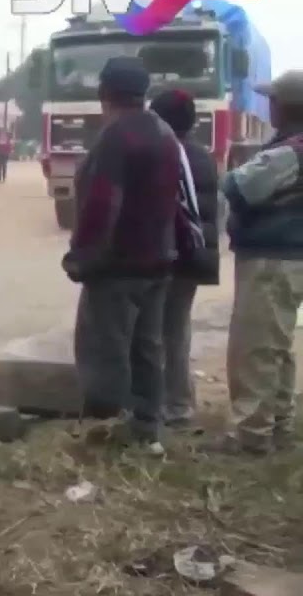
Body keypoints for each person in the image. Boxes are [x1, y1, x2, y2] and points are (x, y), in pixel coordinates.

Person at [64, 57, 182, 453]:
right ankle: (148, 428)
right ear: (143, 94)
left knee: (103, 349)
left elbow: (102, 205)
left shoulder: (115, 136)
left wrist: (82, 257)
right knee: (147, 348)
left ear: (104, 94)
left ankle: (104, 431)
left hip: (117, 267)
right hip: (159, 263)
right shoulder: (164, 132)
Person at [219, 70, 303, 454]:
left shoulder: (289, 152)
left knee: (254, 348)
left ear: (283, 107)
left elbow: (238, 186)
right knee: (278, 346)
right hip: (290, 258)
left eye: (271, 100)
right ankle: (279, 423)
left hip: (271, 259)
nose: (267, 105)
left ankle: (250, 436)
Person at [150, 89, 220, 428]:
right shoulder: (201, 154)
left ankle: (172, 406)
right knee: (176, 330)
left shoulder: (167, 154)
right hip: (193, 257)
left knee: (161, 334)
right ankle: (180, 402)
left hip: (172, 257)